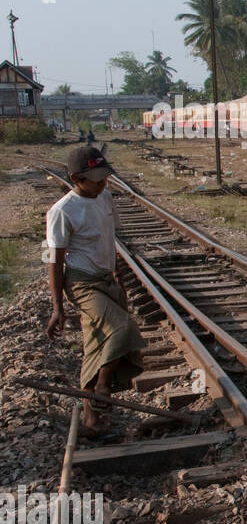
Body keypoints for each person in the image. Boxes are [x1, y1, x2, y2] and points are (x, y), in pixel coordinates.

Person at [44, 146, 146, 437]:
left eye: (105, 177)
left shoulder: (105, 198)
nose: (103, 183)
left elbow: (111, 239)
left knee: (95, 345)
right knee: (121, 327)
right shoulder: (62, 211)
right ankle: (102, 387)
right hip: (81, 283)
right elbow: (55, 261)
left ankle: (92, 421)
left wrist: (120, 278)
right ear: (76, 177)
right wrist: (57, 308)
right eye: (96, 179)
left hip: (106, 279)